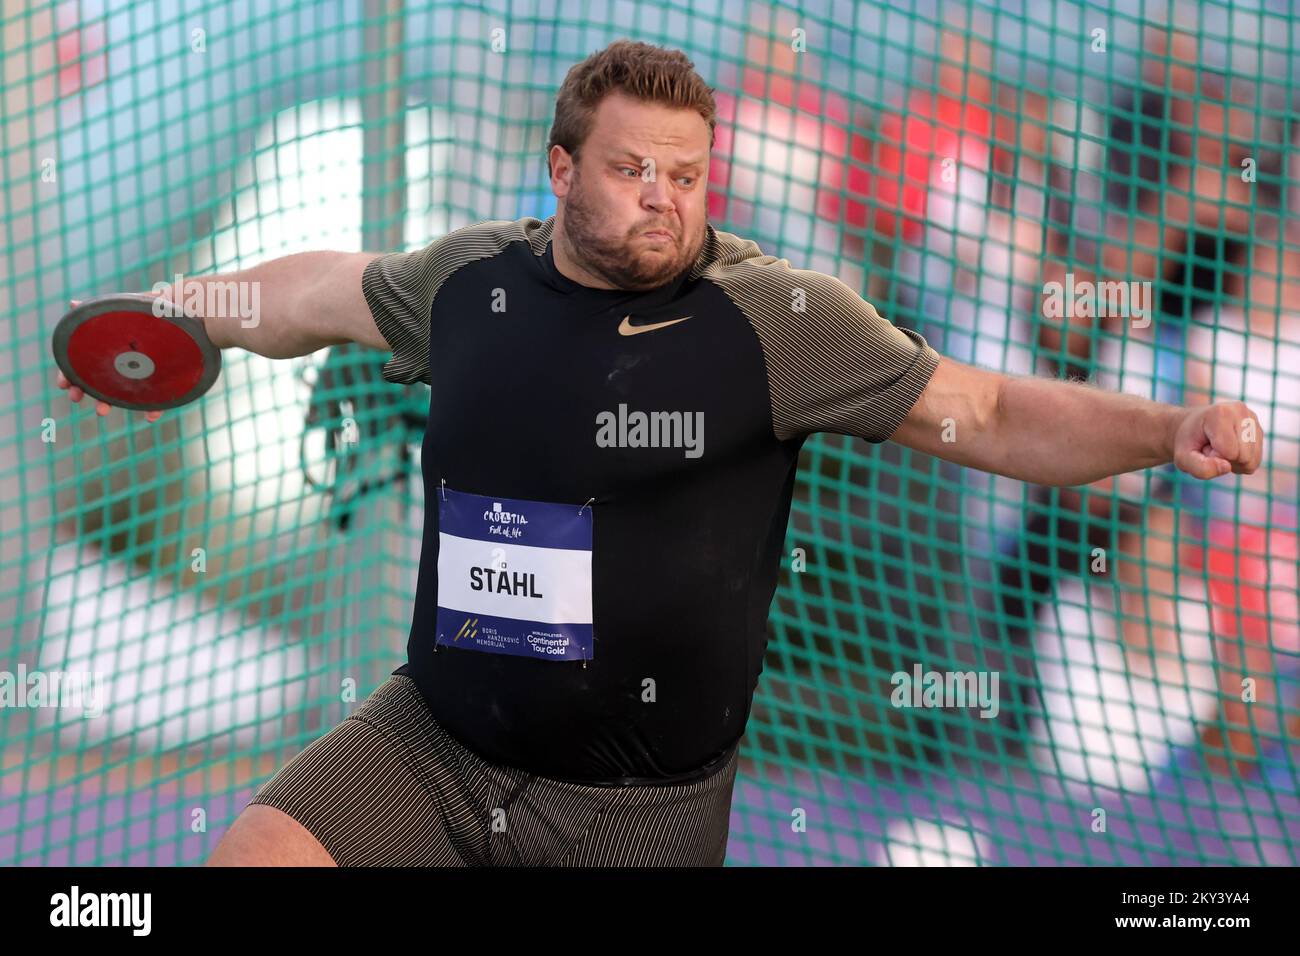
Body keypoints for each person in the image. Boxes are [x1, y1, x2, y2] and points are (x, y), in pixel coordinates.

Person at [57, 39, 1264, 866]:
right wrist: (176, 314)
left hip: (637, 811)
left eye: (686, 176)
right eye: (632, 170)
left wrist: (1164, 430)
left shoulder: (778, 321)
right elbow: (318, 292)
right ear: (563, 170)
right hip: (432, 741)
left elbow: (990, 411)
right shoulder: (471, 283)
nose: (661, 199)